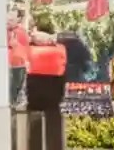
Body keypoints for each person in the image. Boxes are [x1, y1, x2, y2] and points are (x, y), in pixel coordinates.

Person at [26, 19, 67, 150]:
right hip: (54, 90)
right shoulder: (60, 49)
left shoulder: (30, 49)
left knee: (34, 126)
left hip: (34, 90)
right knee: (54, 125)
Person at [7, 6, 30, 106]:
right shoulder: (6, 31)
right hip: (9, 66)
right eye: (8, 18)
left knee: (14, 92)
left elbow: (24, 50)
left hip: (17, 66)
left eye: (11, 19)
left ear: (18, 19)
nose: (8, 20)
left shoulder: (21, 32)